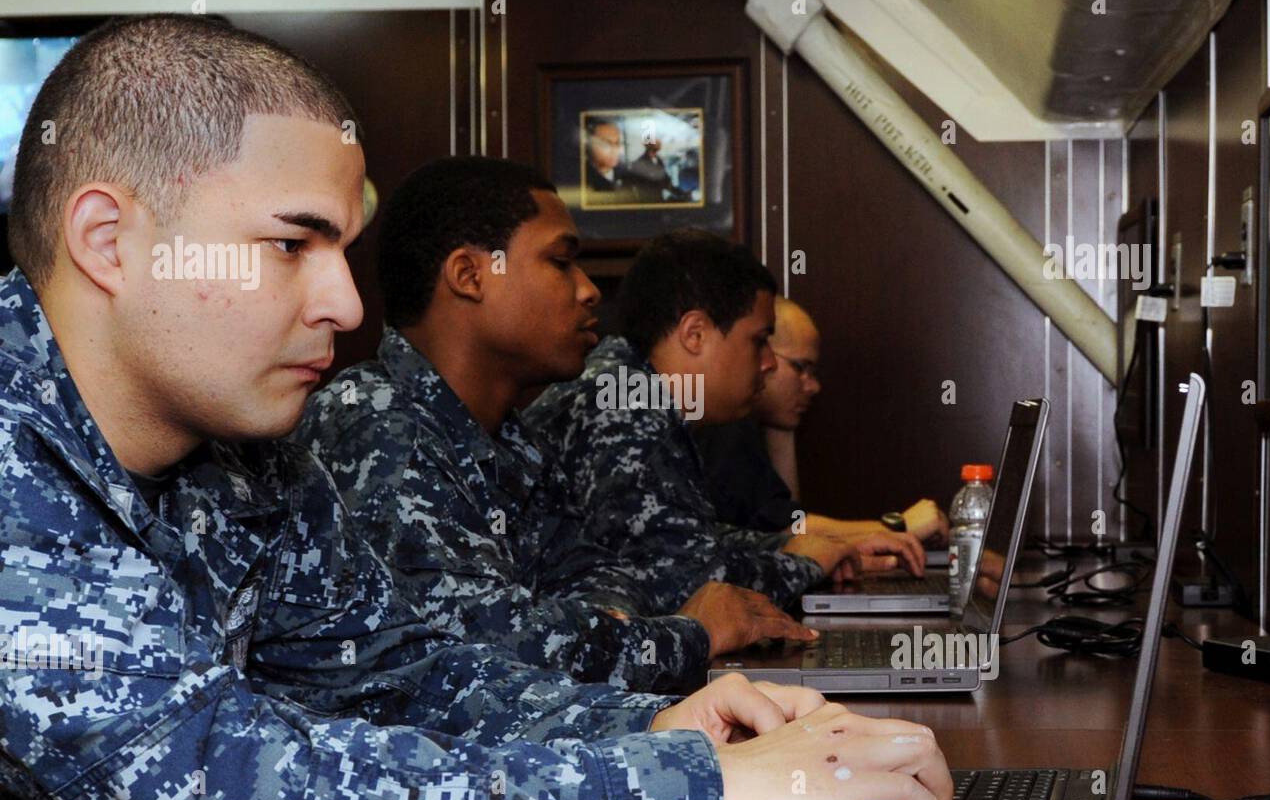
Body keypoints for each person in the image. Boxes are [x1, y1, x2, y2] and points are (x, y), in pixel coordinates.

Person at [0, 14, 953, 800]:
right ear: (109, 241)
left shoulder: (242, 452)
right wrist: (687, 786)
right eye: (292, 245)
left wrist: (665, 724)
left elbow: (400, 676)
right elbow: (226, 792)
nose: (343, 301)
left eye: (341, 249)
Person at [296, 157, 816, 695]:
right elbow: (491, 660)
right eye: (561, 261)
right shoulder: (378, 427)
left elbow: (598, 574)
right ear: (471, 275)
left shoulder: (508, 439)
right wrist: (687, 636)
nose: (589, 290)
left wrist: (606, 630)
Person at [525, 229, 925, 615]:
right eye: (758, 340)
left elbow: (689, 540)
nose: (768, 362)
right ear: (695, 334)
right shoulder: (627, 407)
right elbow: (685, 581)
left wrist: (796, 545)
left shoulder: (631, 384)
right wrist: (810, 563)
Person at [693, 296, 949, 545]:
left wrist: (783, 428)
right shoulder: (722, 424)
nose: (813, 386)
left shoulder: (753, 424)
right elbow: (788, 532)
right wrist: (898, 526)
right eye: (801, 367)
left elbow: (787, 518)